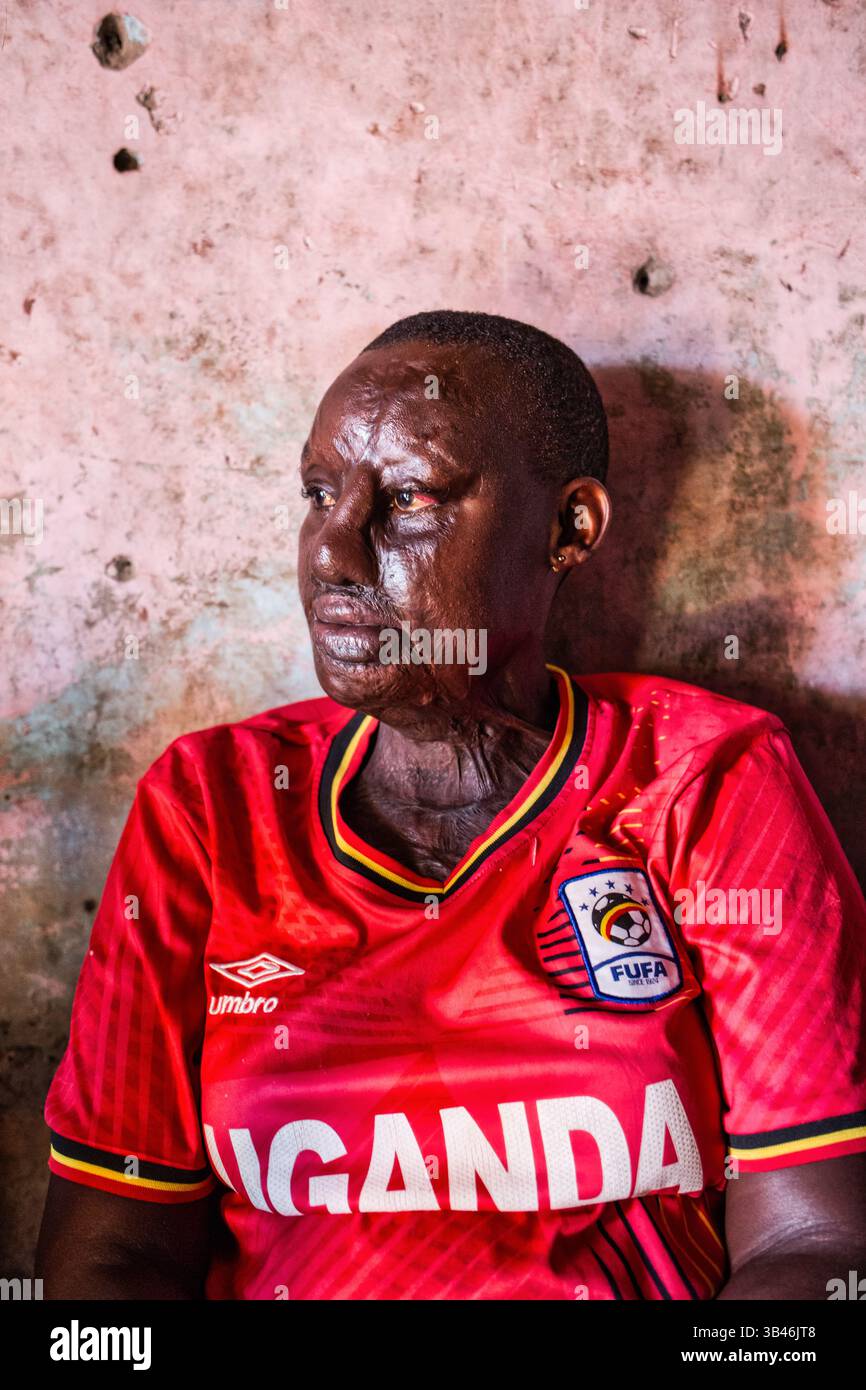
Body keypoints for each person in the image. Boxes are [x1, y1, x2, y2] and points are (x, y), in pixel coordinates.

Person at [36, 311, 866, 1300]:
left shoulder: (700, 780)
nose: (333, 552)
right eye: (317, 494)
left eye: (410, 496)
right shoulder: (213, 807)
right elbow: (112, 1261)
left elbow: (811, 1251)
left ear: (567, 528)